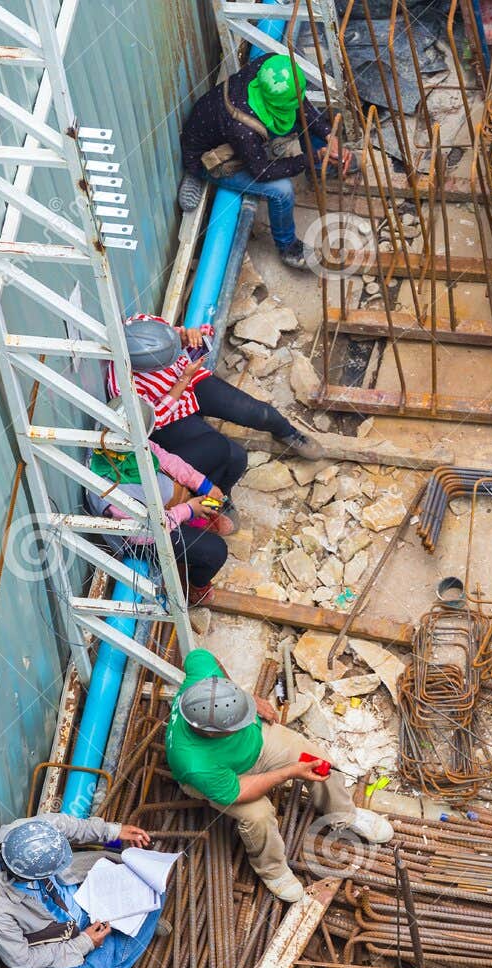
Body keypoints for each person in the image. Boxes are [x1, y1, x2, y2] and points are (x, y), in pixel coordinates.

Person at [165, 647, 394, 903]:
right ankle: (272, 870)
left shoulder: (204, 678)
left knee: (319, 761)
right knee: (258, 817)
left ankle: (344, 814)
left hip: (255, 746)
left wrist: (245, 699)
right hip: (224, 780)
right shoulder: (194, 762)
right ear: (209, 731)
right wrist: (290, 772)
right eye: (236, 724)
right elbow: (240, 791)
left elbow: (198, 655)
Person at [0, 814, 162, 968]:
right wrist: (84, 943)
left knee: (152, 885)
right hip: (54, 941)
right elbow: (23, 960)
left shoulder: (26, 834)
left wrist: (113, 831)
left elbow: (67, 825)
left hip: (79, 895)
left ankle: (115, 956)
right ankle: (121, 936)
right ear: (33, 876)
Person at [110, 316, 321, 503]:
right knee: (235, 456)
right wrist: (183, 379)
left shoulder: (143, 325)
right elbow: (155, 419)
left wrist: (190, 337)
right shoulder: (122, 385)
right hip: (171, 417)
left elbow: (190, 339)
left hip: (193, 382)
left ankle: (288, 433)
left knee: (256, 412)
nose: (172, 360)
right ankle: (219, 499)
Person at [176, 53, 347, 270]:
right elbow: (262, 172)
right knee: (282, 190)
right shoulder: (243, 130)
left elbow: (299, 104)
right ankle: (288, 247)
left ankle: (323, 169)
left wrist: (328, 136)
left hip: (232, 133)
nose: (299, 101)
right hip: (209, 157)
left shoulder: (269, 66)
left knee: (301, 120)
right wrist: (310, 158)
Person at [90, 398, 235, 603]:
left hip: (164, 500)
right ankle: (194, 587)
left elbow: (166, 459)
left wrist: (205, 486)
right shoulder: (108, 491)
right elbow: (144, 533)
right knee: (216, 551)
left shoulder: (125, 444)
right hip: (142, 536)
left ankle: (198, 516)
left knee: (218, 446)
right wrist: (187, 510)